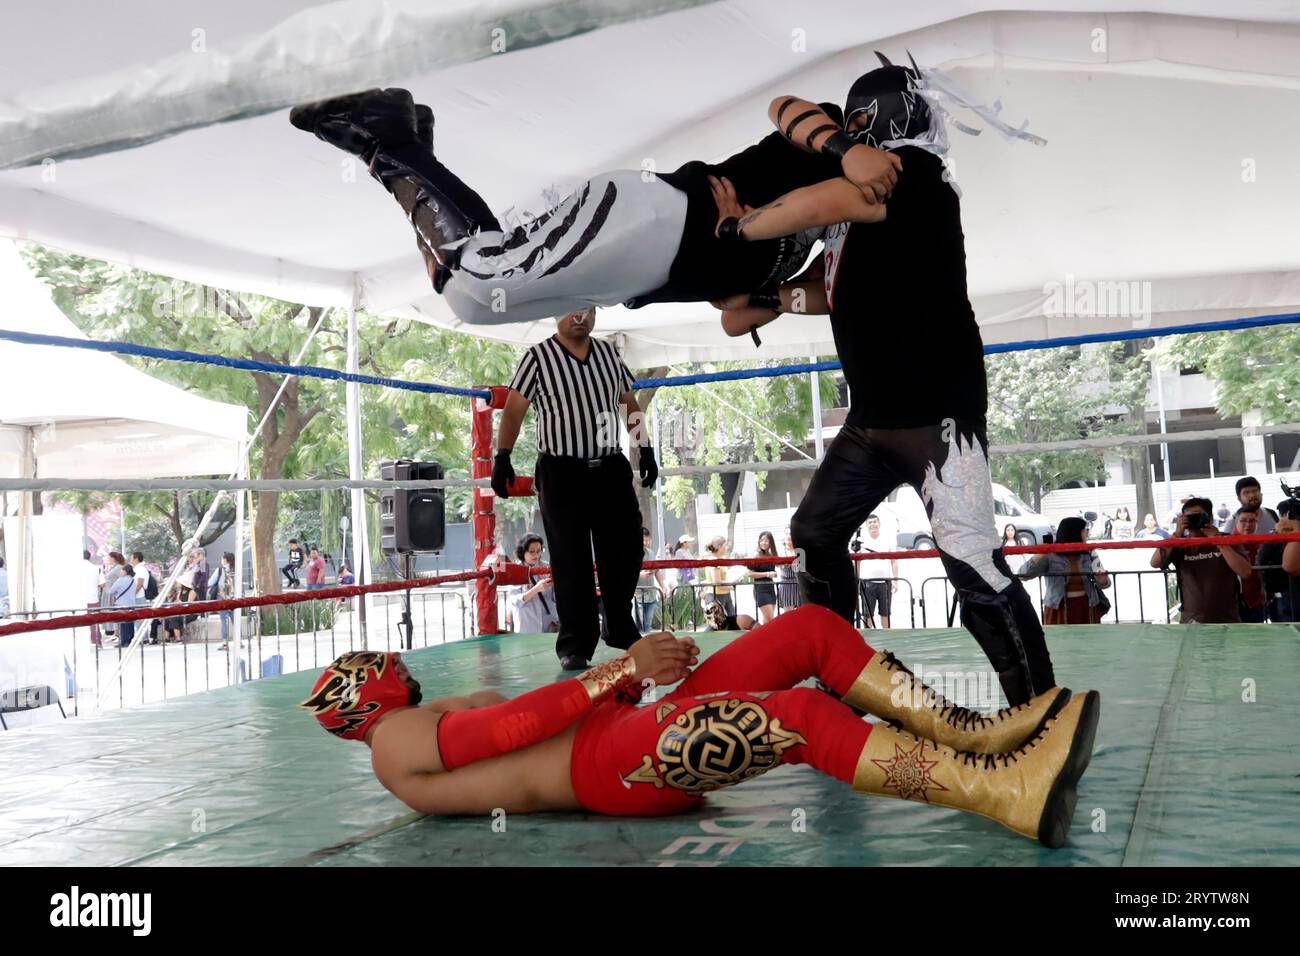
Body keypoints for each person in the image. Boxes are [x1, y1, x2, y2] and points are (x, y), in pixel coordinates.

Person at [714, 55, 1055, 706]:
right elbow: (808, 295)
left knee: (970, 559)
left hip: (937, 416)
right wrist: (759, 290)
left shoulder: (915, 173)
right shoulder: (857, 201)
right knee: (815, 533)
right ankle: (838, 678)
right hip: (872, 421)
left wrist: (739, 230)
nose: (847, 134)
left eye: (854, 124)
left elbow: (807, 174)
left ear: (876, 120)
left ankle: (1040, 711)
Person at [301, 605, 1100, 849]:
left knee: (807, 631)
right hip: (612, 770)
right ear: (359, 697)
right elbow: (505, 733)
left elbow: (525, 720)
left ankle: (979, 736)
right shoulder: (393, 742)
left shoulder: (414, 720)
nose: (395, 663)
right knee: (798, 717)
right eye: (379, 665)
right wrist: (622, 670)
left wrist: (631, 678)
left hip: (619, 730)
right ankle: (1001, 791)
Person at [289, 88, 900, 325]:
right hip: (653, 218)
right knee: (482, 278)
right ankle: (387, 140)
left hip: (638, 275)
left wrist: (752, 264)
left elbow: (733, 316)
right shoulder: (831, 145)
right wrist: (847, 150)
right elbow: (784, 108)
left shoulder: (821, 244)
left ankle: (406, 148)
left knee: (470, 301)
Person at [492, 308, 656, 671]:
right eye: (571, 309)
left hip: (609, 467)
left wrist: (644, 447)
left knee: (628, 546)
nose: (579, 317)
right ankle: (575, 643)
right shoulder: (538, 357)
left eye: (586, 310)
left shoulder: (609, 354)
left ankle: (618, 622)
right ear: (556, 312)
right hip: (561, 471)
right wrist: (502, 456)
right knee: (570, 559)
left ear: (595, 312)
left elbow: (628, 404)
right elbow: (515, 409)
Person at [1150, 497, 1253, 624]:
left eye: (1197, 516)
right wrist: (1176, 534)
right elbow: (1155, 563)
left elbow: (1245, 571)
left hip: (1227, 620)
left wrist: (1219, 542)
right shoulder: (1179, 544)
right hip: (1192, 621)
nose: (1193, 520)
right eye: (1188, 517)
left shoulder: (1227, 540)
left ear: (1210, 518)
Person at [1019, 518, 1110, 625]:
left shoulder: (1089, 552)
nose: (1087, 534)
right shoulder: (1049, 554)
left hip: (1087, 606)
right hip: (1058, 608)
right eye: (1084, 530)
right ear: (1074, 533)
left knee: (1089, 635)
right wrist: (1039, 555)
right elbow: (1023, 575)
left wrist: (1103, 580)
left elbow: (1105, 582)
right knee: (1060, 635)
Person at [509, 533, 559, 635]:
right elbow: (516, 601)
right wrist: (536, 589)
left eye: (539, 551)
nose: (536, 555)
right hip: (527, 628)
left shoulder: (547, 568)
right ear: (523, 551)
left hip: (550, 626)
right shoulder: (515, 571)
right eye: (532, 551)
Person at [855, 514, 899, 629]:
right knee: (867, 615)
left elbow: (894, 561)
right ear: (866, 525)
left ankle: (887, 637)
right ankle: (868, 639)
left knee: (886, 614)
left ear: (879, 523)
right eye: (870, 522)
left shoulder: (887, 539)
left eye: (875, 522)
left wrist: (895, 581)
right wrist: (858, 582)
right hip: (867, 583)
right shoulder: (861, 542)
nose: (873, 524)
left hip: (885, 583)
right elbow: (857, 563)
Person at [1232, 511, 1267, 623]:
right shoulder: (1227, 544)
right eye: (1243, 521)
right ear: (1236, 521)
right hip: (1234, 603)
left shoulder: (1260, 543)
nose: (1248, 525)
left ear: (1257, 522)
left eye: (1252, 521)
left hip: (1257, 600)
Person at [635, 528, 668, 632]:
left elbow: (657, 571)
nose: (645, 543)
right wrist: (639, 575)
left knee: (647, 626)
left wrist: (663, 587)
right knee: (639, 627)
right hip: (637, 597)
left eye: (647, 540)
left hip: (651, 595)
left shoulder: (651, 553)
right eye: (643, 540)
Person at [702, 537, 737, 618]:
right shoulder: (714, 561)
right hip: (715, 596)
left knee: (732, 621)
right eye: (725, 545)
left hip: (725, 594)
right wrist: (732, 585)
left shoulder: (722, 559)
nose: (727, 547)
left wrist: (731, 585)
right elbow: (717, 581)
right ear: (719, 547)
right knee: (717, 623)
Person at [750, 531, 780, 624]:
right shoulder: (756, 555)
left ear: (770, 542)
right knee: (770, 620)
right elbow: (749, 573)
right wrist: (767, 574)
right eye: (761, 540)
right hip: (760, 589)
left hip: (771, 588)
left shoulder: (771, 555)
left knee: (767, 620)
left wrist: (773, 573)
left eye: (766, 541)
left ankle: (765, 633)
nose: (763, 542)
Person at [107, 564, 136, 648]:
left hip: (121, 604)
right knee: (130, 623)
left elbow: (111, 591)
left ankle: (124, 641)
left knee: (123, 623)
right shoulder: (133, 580)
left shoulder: (120, 580)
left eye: (122, 570)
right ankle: (130, 640)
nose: (120, 572)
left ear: (125, 571)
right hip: (131, 604)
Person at [81, 550, 104, 645]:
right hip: (93, 598)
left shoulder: (75, 567)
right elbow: (102, 584)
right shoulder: (96, 568)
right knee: (94, 621)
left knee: (76, 621)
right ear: (89, 557)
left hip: (78, 599)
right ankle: (97, 641)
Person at [214, 553, 236, 647]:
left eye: (222, 559)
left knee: (224, 620)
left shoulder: (220, 570)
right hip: (234, 598)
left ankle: (225, 642)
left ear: (225, 560)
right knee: (235, 620)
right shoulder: (236, 570)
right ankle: (239, 641)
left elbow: (211, 582)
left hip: (222, 597)